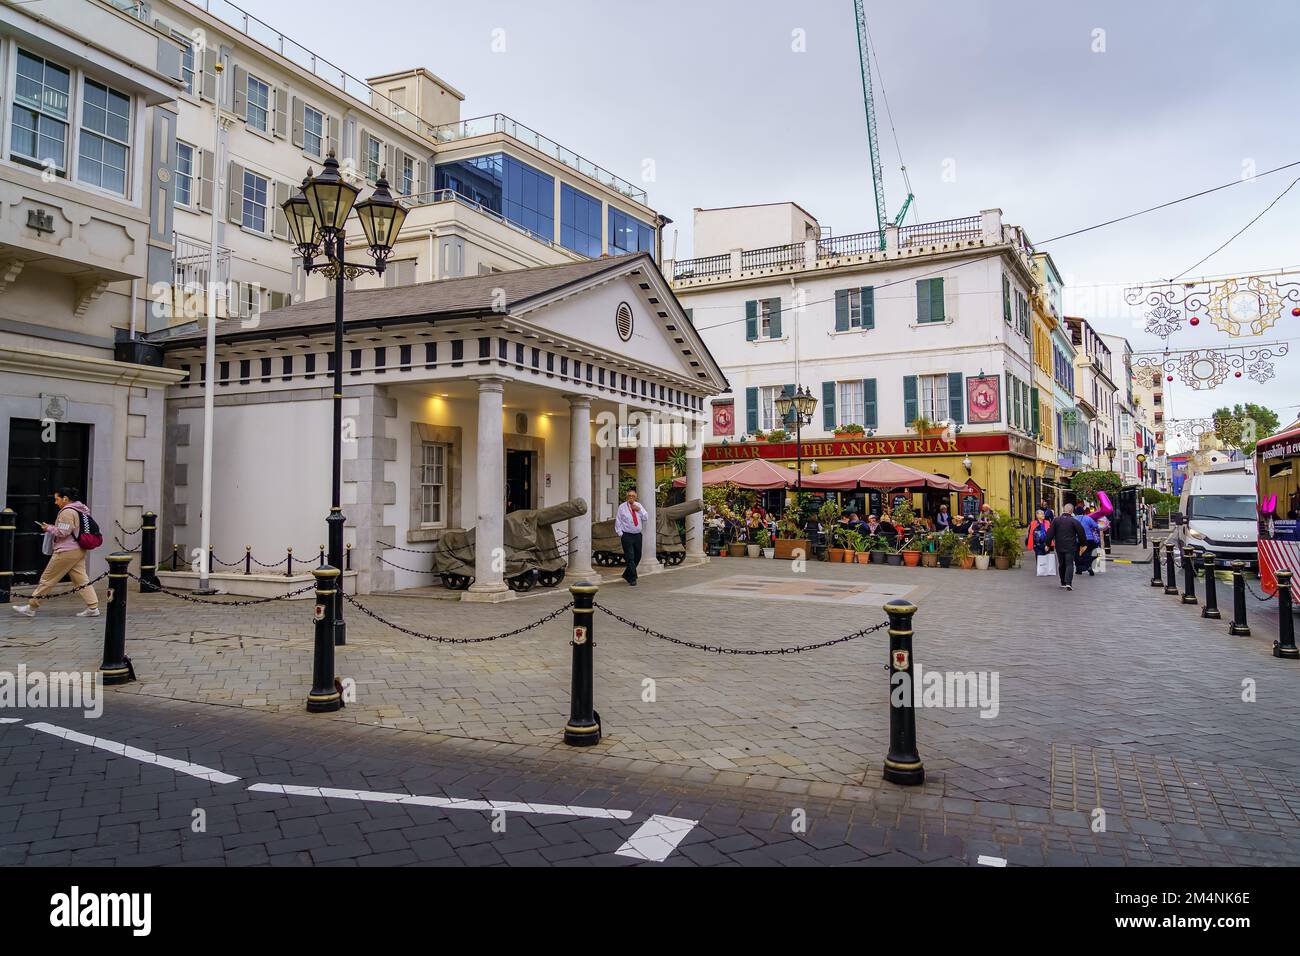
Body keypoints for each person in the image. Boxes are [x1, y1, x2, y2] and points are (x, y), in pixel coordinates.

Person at [13, 487, 99, 618]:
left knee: (47, 579)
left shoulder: (67, 512)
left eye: (57, 499)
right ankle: (93, 607)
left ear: (65, 499)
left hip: (66, 550)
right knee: (81, 579)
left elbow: (63, 532)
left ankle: (31, 606)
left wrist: (49, 528)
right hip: (78, 549)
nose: (55, 502)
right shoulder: (80, 509)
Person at [1043, 503, 1088, 590]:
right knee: (1069, 564)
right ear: (1071, 511)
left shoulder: (1056, 520)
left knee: (1061, 564)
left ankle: (1063, 582)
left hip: (1059, 546)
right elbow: (1081, 533)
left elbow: (1050, 533)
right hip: (1070, 546)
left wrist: (1048, 544)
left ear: (1063, 510)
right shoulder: (1074, 521)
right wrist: (1083, 544)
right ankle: (1068, 583)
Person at [615, 489, 649, 586]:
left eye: (633, 496)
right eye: (629, 496)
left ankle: (626, 574)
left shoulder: (639, 506)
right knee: (630, 557)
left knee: (637, 556)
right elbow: (618, 521)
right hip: (627, 535)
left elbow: (646, 517)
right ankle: (633, 578)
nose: (631, 497)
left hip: (637, 535)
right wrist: (620, 533)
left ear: (635, 497)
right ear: (627, 497)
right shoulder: (622, 507)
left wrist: (639, 510)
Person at [1076, 509, 1101, 575]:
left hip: (1078, 540)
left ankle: (1079, 569)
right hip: (1089, 539)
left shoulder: (1073, 519)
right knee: (1089, 553)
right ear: (1083, 512)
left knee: (1078, 554)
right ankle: (1089, 566)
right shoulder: (1088, 518)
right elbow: (1096, 526)